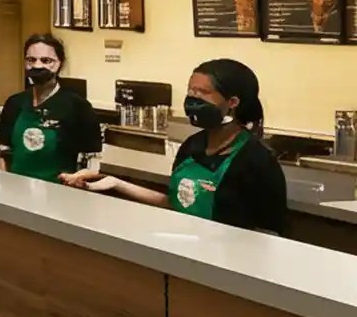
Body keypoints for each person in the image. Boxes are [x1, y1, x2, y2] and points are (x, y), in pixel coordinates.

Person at [61, 59, 287, 235]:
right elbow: (175, 204)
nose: (192, 98)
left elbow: (269, 231)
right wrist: (114, 183)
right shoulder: (192, 146)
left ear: (232, 103)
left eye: (203, 93)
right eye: (190, 91)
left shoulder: (257, 160)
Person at [0, 33, 101, 182]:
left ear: (60, 64)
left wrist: (74, 179)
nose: (37, 66)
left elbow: (93, 164)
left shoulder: (78, 107)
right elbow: (2, 155)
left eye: (46, 61)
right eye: (31, 60)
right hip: (16, 191)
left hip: (58, 194)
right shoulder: (14, 103)